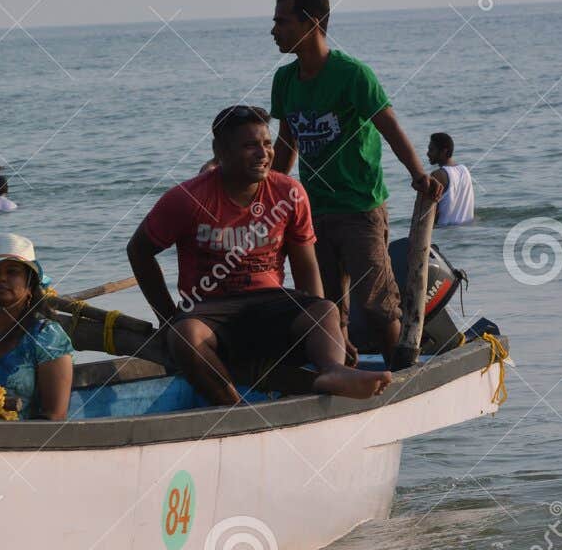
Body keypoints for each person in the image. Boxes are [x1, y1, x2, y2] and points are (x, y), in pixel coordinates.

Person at [126, 105, 393, 406]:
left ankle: (331, 372)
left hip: (270, 305)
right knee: (184, 336)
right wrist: (168, 316)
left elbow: (305, 267)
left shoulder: (289, 193)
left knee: (325, 309)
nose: (263, 153)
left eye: (267, 144)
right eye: (250, 145)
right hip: (209, 311)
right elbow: (139, 250)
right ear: (221, 151)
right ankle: (233, 407)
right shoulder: (187, 199)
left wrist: (331, 334)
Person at [270, 0, 443, 356]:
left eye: (282, 22)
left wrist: (418, 174)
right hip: (312, 212)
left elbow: (390, 127)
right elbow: (287, 144)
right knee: (327, 309)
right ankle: (345, 378)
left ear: (311, 23)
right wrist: (273, 197)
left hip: (360, 208)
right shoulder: (284, 79)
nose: (274, 31)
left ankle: (398, 374)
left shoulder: (352, 74)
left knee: (377, 305)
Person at [0, 234, 72, 420]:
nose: (1, 279)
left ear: (30, 285)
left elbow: (55, 415)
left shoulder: (47, 337)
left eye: (12, 272)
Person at [428, 133, 475, 226]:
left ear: (444, 151)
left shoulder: (437, 175)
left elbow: (429, 212)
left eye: (431, 150)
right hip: (467, 231)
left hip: (444, 233)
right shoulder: (464, 170)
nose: (428, 153)